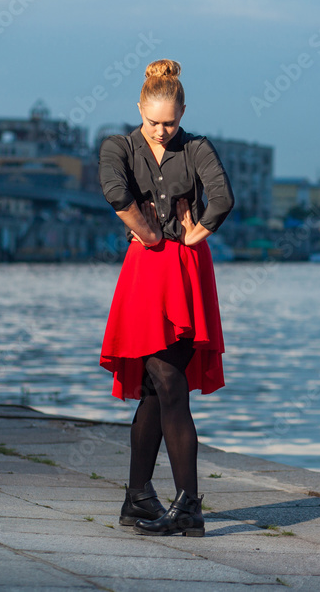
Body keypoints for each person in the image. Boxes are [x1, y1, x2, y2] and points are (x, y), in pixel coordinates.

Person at [98, 59, 234, 537]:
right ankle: (142, 498)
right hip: (144, 270)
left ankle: (184, 505)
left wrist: (197, 233)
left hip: (184, 271)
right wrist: (147, 231)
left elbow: (222, 196)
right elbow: (114, 189)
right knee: (156, 383)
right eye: (153, 121)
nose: (161, 130)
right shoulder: (118, 145)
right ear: (138, 108)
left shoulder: (196, 147)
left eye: (170, 122)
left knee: (167, 381)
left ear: (183, 112)